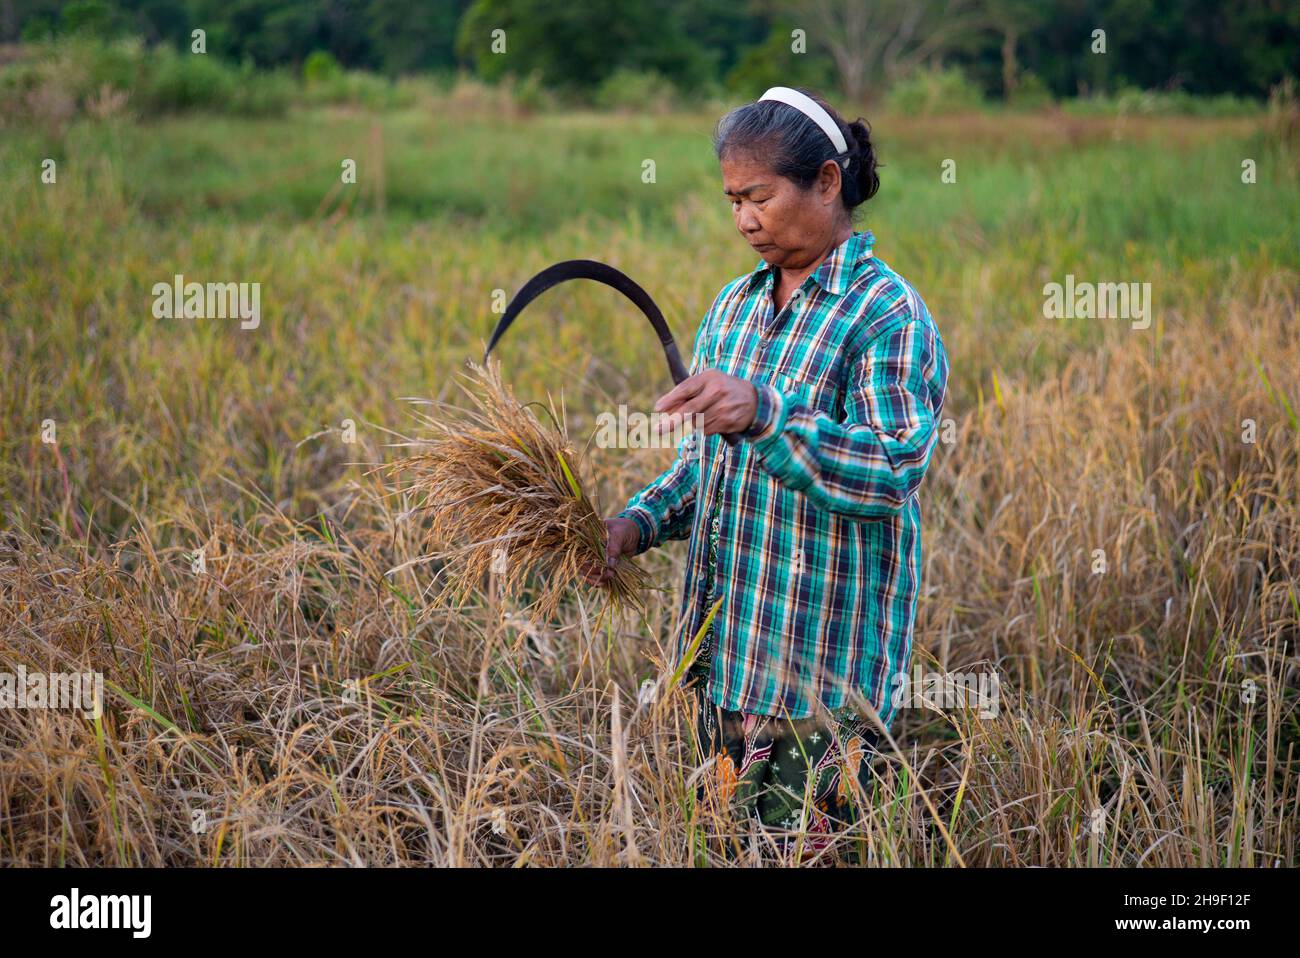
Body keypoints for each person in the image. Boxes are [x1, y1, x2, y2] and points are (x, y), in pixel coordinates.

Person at [591, 87, 950, 851]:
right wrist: (634, 523)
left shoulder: (884, 315)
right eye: (732, 200)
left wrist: (764, 411)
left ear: (825, 181)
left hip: (820, 680)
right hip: (725, 659)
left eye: (759, 196)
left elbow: (889, 470)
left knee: (808, 849)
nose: (745, 219)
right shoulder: (733, 308)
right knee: (723, 847)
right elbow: (706, 469)